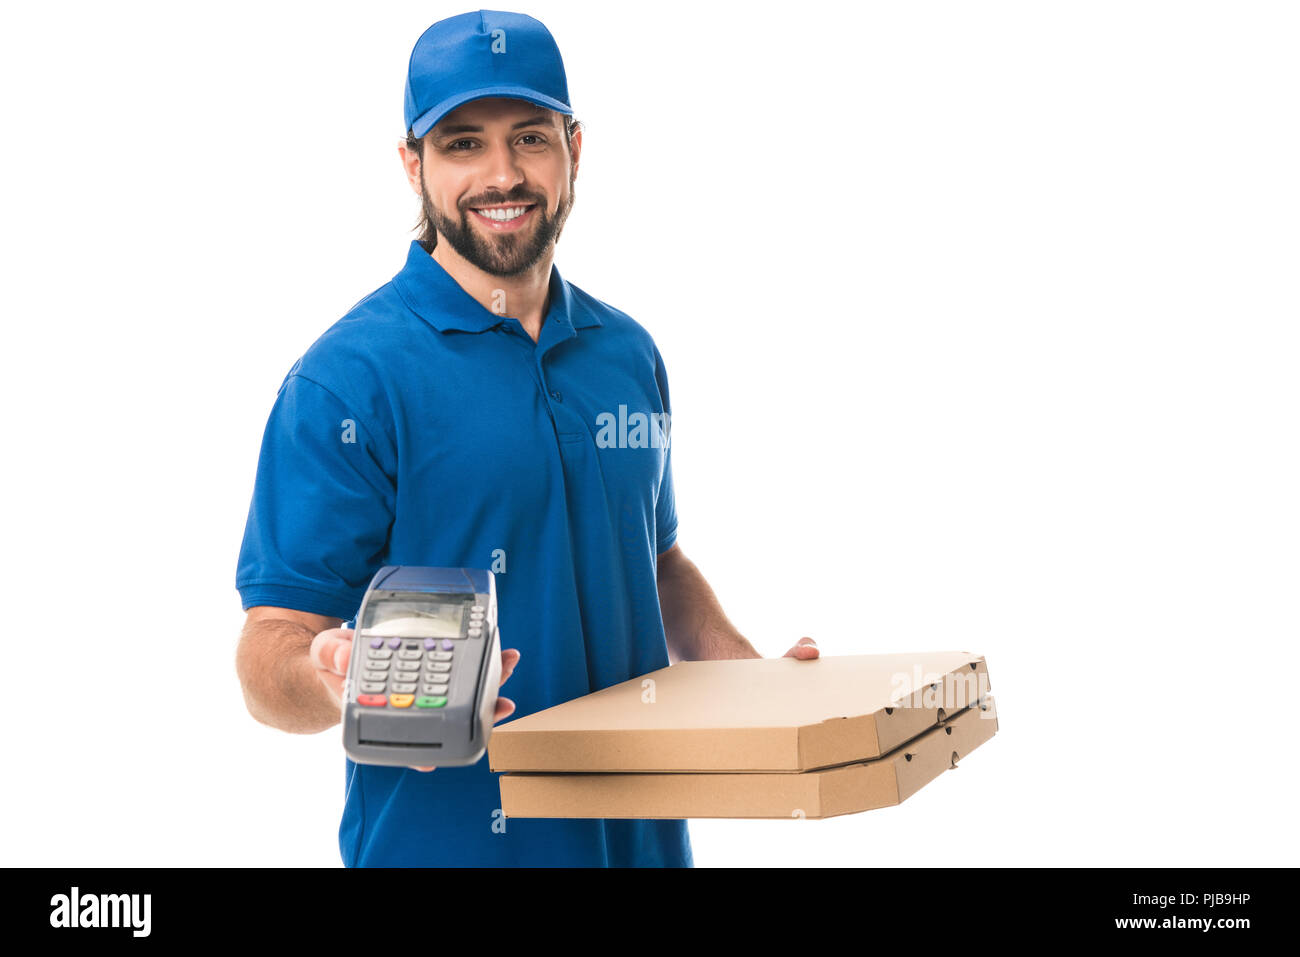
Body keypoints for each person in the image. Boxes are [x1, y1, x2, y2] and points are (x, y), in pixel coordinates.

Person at [234, 9, 818, 867]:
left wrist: (757, 684)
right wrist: (330, 671)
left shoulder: (626, 354)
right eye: (464, 143)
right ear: (412, 164)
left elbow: (656, 565)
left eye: (530, 138)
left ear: (575, 149)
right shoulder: (345, 381)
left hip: (644, 848)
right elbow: (268, 646)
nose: (502, 174)